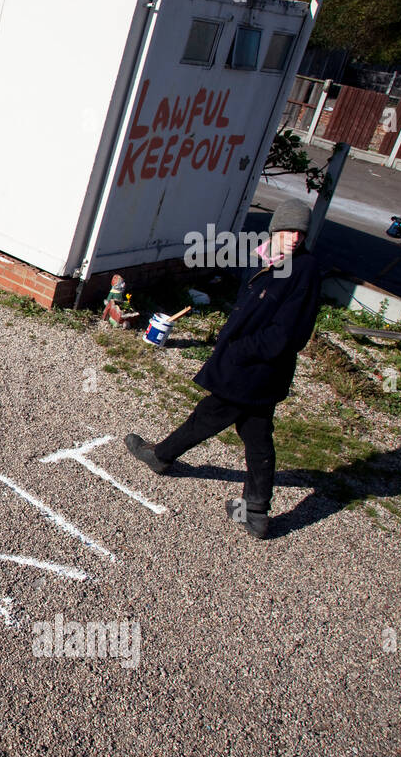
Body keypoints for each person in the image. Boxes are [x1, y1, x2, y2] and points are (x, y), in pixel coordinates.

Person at [124, 200, 322, 539]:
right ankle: (255, 511)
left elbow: (288, 334)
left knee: (209, 416)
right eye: (288, 230)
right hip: (254, 369)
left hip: (254, 368)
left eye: (300, 233)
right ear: (276, 229)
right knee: (256, 435)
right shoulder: (269, 260)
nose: (294, 238)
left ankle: (160, 456)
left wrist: (240, 350)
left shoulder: (303, 270)